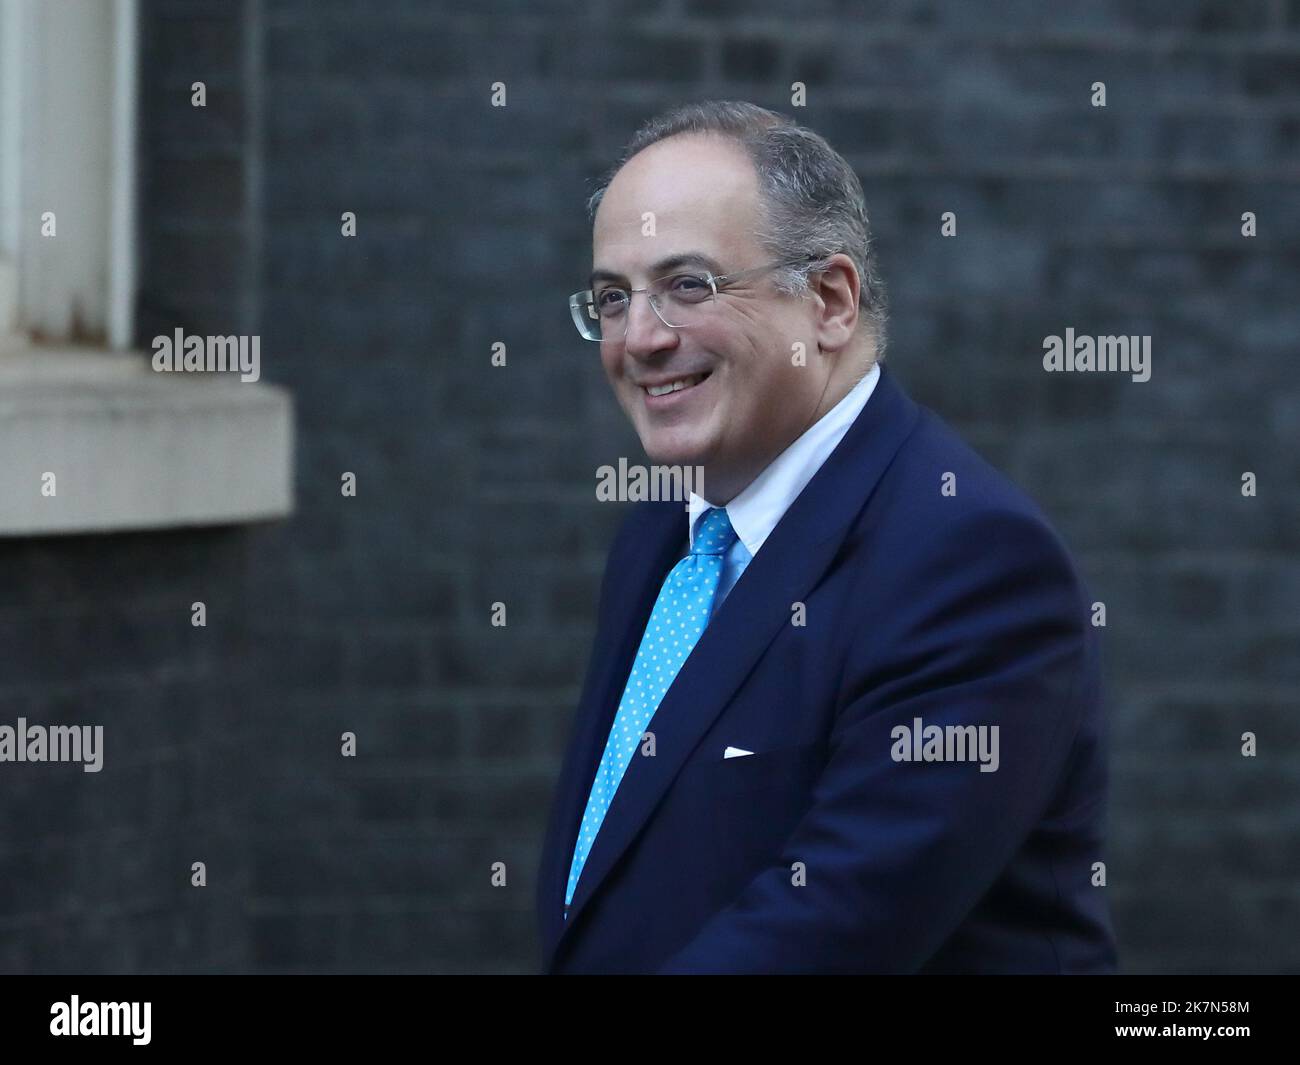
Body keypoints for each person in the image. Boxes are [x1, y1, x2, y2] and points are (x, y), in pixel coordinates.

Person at [535, 100, 1118, 974]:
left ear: (830, 301)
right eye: (612, 299)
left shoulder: (972, 564)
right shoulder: (666, 534)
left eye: (688, 284)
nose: (641, 338)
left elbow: (834, 930)